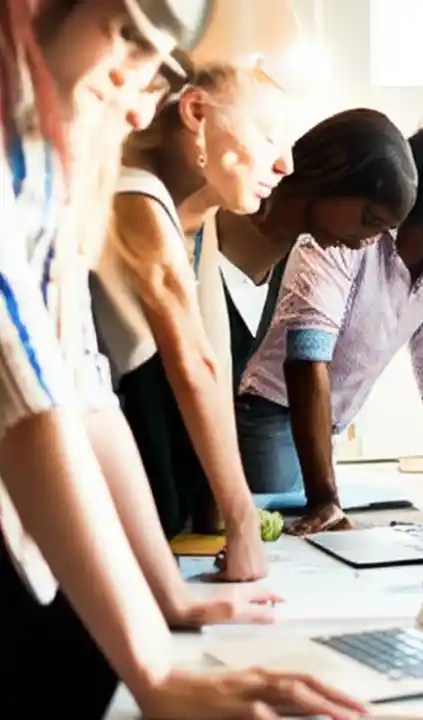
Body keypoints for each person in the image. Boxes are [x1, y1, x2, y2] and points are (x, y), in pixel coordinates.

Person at [0, 0, 362, 717]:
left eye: (157, 61)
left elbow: (79, 384)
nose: (139, 106)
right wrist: (153, 670)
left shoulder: (53, 160)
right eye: (131, 40)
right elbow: (26, 393)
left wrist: (163, 593)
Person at [237, 108, 423, 534]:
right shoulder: (345, 236)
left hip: (323, 423)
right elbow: (307, 357)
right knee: (286, 546)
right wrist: (325, 499)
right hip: (270, 414)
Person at [92, 59, 293, 581]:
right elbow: (193, 362)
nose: (285, 165)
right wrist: (242, 521)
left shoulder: (193, 217)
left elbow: (215, 367)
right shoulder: (132, 191)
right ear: (197, 112)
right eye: (270, 137)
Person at [218, 106, 418, 384]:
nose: (365, 243)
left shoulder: (284, 261)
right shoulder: (219, 216)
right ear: (335, 172)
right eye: (368, 220)